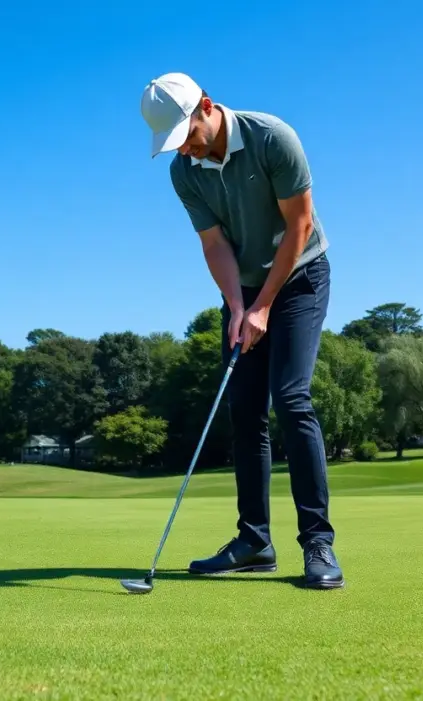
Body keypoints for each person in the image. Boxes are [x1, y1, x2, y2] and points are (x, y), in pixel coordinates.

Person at [139, 72, 344, 589]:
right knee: (244, 407)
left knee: (291, 397)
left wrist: (265, 304)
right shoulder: (184, 172)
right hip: (244, 287)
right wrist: (237, 306)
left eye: (187, 134)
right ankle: (254, 541)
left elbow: (299, 225)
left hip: (299, 275)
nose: (183, 148)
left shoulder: (273, 137)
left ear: (207, 106)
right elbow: (214, 245)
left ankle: (317, 543)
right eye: (173, 143)